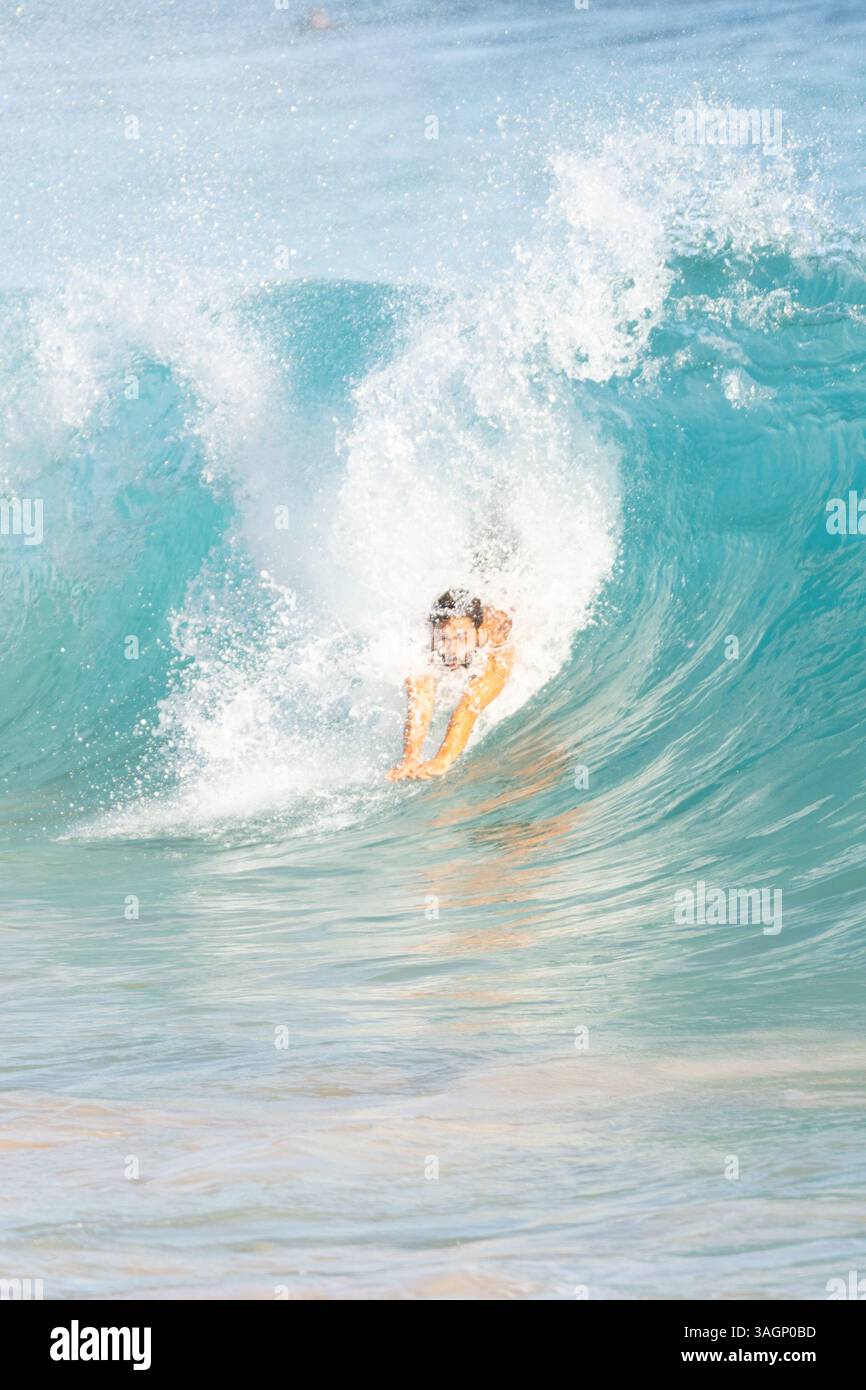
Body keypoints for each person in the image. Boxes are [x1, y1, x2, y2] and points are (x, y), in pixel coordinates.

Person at [387, 589, 514, 781]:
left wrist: (443, 759)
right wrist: (410, 758)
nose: (451, 650)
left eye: (462, 638)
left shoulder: (495, 637)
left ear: (477, 631)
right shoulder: (427, 640)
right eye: (445, 638)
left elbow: (470, 706)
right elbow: (420, 701)